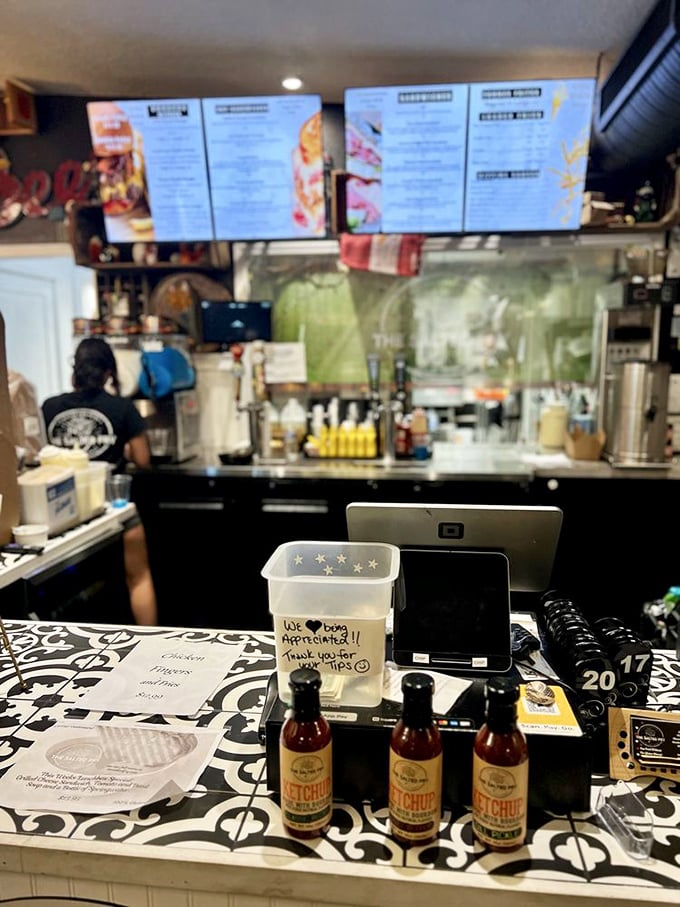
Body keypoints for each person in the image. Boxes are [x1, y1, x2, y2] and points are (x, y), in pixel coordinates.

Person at [41, 337, 158, 626]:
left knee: (77, 595)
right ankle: (152, 644)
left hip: (66, 513)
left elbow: (40, 454)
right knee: (138, 577)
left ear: (75, 369)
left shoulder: (49, 406)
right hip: (113, 509)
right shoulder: (121, 408)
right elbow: (143, 460)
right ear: (108, 371)